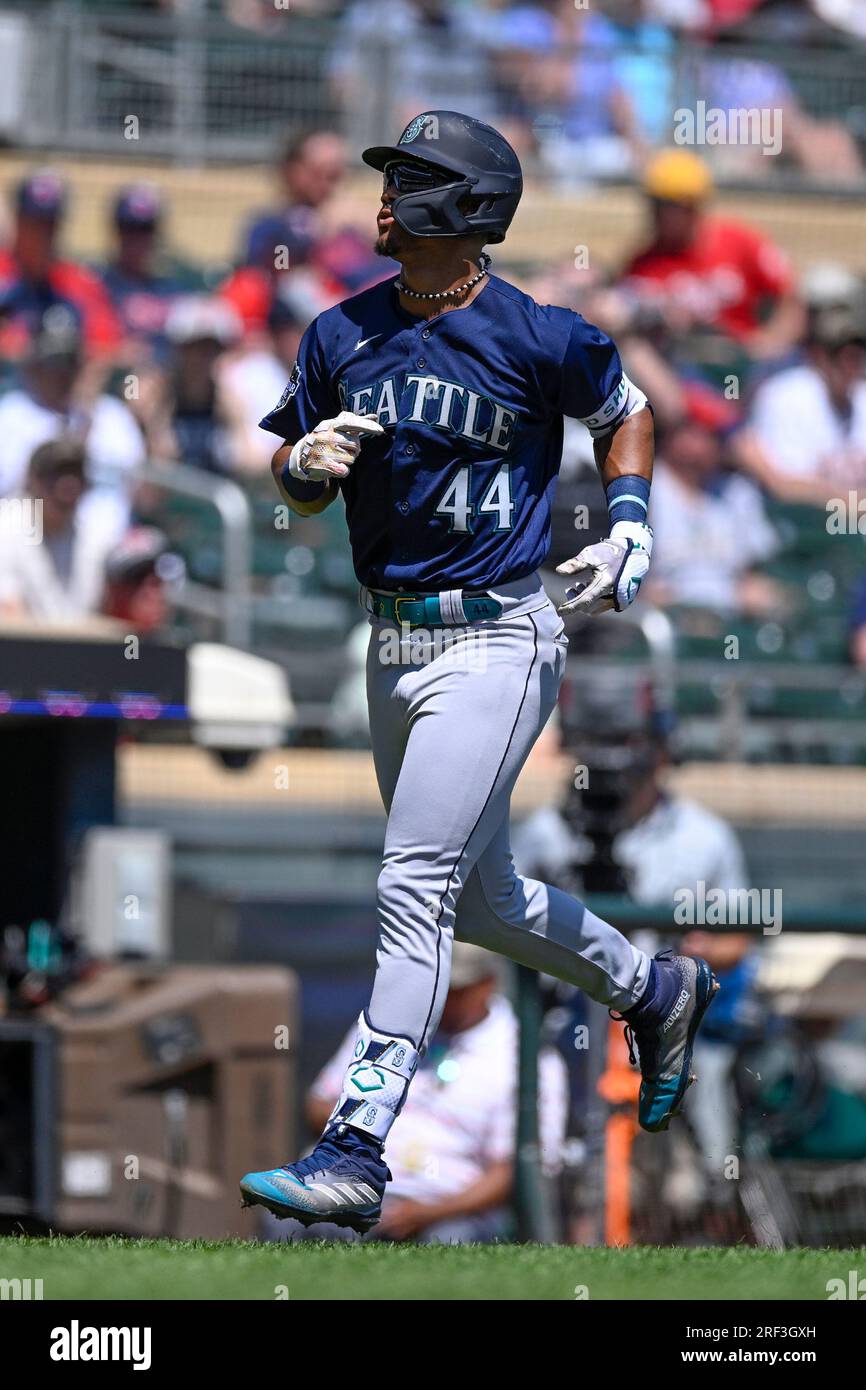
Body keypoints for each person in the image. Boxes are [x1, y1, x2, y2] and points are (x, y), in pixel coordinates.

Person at [239, 110, 718, 1235]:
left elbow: (629, 414)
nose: (385, 196)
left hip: (498, 634)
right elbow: (294, 481)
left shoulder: (535, 332)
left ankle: (356, 1144)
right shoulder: (338, 331)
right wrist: (297, 465)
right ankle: (650, 987)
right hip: (391, 637)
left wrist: (632, 524)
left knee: (411, 882)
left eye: (408, 180)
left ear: (464, 206)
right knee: (482, 898)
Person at [302, 942, 567, 1243]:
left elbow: (512, 1171)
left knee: (448, 1240)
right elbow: (318, 1104)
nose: (442, 999)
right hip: (355, 1188)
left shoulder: (524, 1055)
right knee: (287, 1224)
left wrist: (426, 1213)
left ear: (487, 985)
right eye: (434, 986)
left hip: (454, 1211)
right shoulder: (387, 1025)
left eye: (454, 990)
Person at [622, 149, 803, 361]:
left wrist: (770, 343)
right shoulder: (642, 265)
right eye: (654, 203)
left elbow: (791, 294)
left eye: (666, 205)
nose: (655, 213)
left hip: (742, 361)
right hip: (682, 370)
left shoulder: (738, 241)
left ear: (691, 206)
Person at [0, 306, 145, 541]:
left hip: (113, 546)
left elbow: (145, 492)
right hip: (33, 539)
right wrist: (78, 435)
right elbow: (20, 488)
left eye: (69, 363)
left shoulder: (111, 414)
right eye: (53, 364)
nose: (62, 374)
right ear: (34, 366)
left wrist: (153, 422)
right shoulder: (11, 413)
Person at [642, 387, 782, 614]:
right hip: (664, 623)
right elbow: (642, 591)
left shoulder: (739, 492)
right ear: (676, 433)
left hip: (729, 623)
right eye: (709, 433)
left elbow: (754, 578)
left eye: (720, 435)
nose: (721, 442)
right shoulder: (643, 488)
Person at [743, 272, 866, 501]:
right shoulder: (784, 395)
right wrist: (852, 503)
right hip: (805, 526)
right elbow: (785, 485)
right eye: (842, 356)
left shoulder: (862, 396)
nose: (851, 366)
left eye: (858, 357)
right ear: (818, 356)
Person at [0, 171, 121, 362]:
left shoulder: (80, 283)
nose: (43, 234)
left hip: (60, 384)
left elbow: (108, 345)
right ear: (18, 220)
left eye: (50, 223)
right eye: (34, 222)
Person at [0, 438, 119, 623]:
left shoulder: (95, 538)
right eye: (55, 476)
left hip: (78, 648)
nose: (66, 487)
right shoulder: (6, 528)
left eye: (75, 476)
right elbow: (8, 614)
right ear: (33, 481)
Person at [240, 129, 347, 274]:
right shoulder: (271, 225)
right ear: (293, 170)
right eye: (319, 172)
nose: (327, 183)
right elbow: (279, 273)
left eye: (334, 175)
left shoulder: (352, 219)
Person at [98, 184, 185, 362]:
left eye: (145, 230)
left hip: (165, 380)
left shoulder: (174, 291)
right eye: (129, 229)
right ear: (116, 231)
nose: (136, 239)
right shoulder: (98, 286)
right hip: (121, 380)